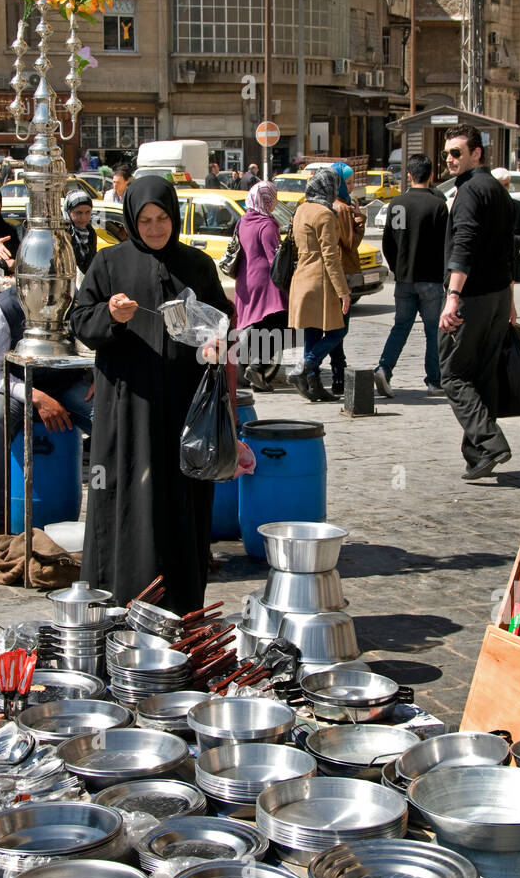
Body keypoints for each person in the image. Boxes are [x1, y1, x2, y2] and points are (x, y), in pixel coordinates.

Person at [71, 176, 231, 615]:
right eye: (145, 219)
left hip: (185, 407)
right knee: (125, 494)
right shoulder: (107, 264)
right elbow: (80, 324)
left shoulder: (198, 266)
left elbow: (223, 320)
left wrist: (219, 341)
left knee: (184, 503)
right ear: (131, 220)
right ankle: (122, 599)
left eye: (163, 218)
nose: (155, 227)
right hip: (128, 405)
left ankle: (182, 603)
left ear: (174, 218)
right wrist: (109, 314)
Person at [0, 290, 93, 557]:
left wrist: (100, 373)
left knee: (111, 421)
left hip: (67, 382)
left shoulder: (73, 300)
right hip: (14, 385)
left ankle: (120, 518)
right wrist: (36, 396)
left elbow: (95, 342)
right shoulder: (1, 310)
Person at [438, 127, 516, 481]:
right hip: (497, 297)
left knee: (453, 375)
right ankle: (477, 455)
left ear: (477, 153)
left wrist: (453, 296)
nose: (451, 160)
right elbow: (509, 250)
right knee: (481, 376)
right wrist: (510, 300)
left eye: (457, 153)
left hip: (472, 298)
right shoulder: (497, 191)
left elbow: (464, 246)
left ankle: (490, 443)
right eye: (447, 154)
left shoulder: (470, 191)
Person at [374, 153, 448, 398]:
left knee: (401, 326)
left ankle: (384, 367)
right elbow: (446, 244)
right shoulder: (438, 205)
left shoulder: (397, 204)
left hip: (404, 278)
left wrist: (397, 268)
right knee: (432, 331)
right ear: (431, 175)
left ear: (408, 176)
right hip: (431, 278)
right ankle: (433, 381)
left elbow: (389, 243)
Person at [287, 168, 350, 403]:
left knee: (312, 331)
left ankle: (313, 385)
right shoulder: (325, 214)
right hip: (320, 281)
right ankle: (306, 366)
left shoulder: (301, 209)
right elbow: (331, 257)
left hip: (302, 276)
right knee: (339, 330)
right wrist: (343, 292)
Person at [233, 180, 287, 392]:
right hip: (265, 283)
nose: (275, 202)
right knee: (280, 325)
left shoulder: (243, 220)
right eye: (273, 198)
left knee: (257, 325)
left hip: (245, 280)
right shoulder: (267, 224)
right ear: (266, 200)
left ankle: (245, 365)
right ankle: (256, 367)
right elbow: (273, 257)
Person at [328, 161, 365, 397]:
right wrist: (360, 220)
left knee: (336, 327)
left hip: (337, 272)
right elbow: (350, 243)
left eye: (353, 183)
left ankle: (337, 373)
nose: (351, 187)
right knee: (340, 328)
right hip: (343, 272)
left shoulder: (339, 204)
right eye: (347, 183)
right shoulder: (342, 208)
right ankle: (335, 373)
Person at [492, 168, 520, 283]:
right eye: (499, 185)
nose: (503, 189)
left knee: (508, 299)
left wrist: (506, 240)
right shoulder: (482, 207)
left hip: (509, 265)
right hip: (487, 266)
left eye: (506, 185)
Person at [63, 189, 98, 276]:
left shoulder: (90, 233)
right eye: (78, 213)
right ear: (68, 212)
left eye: (88, 212)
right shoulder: (62, 234)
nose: (84, 218)